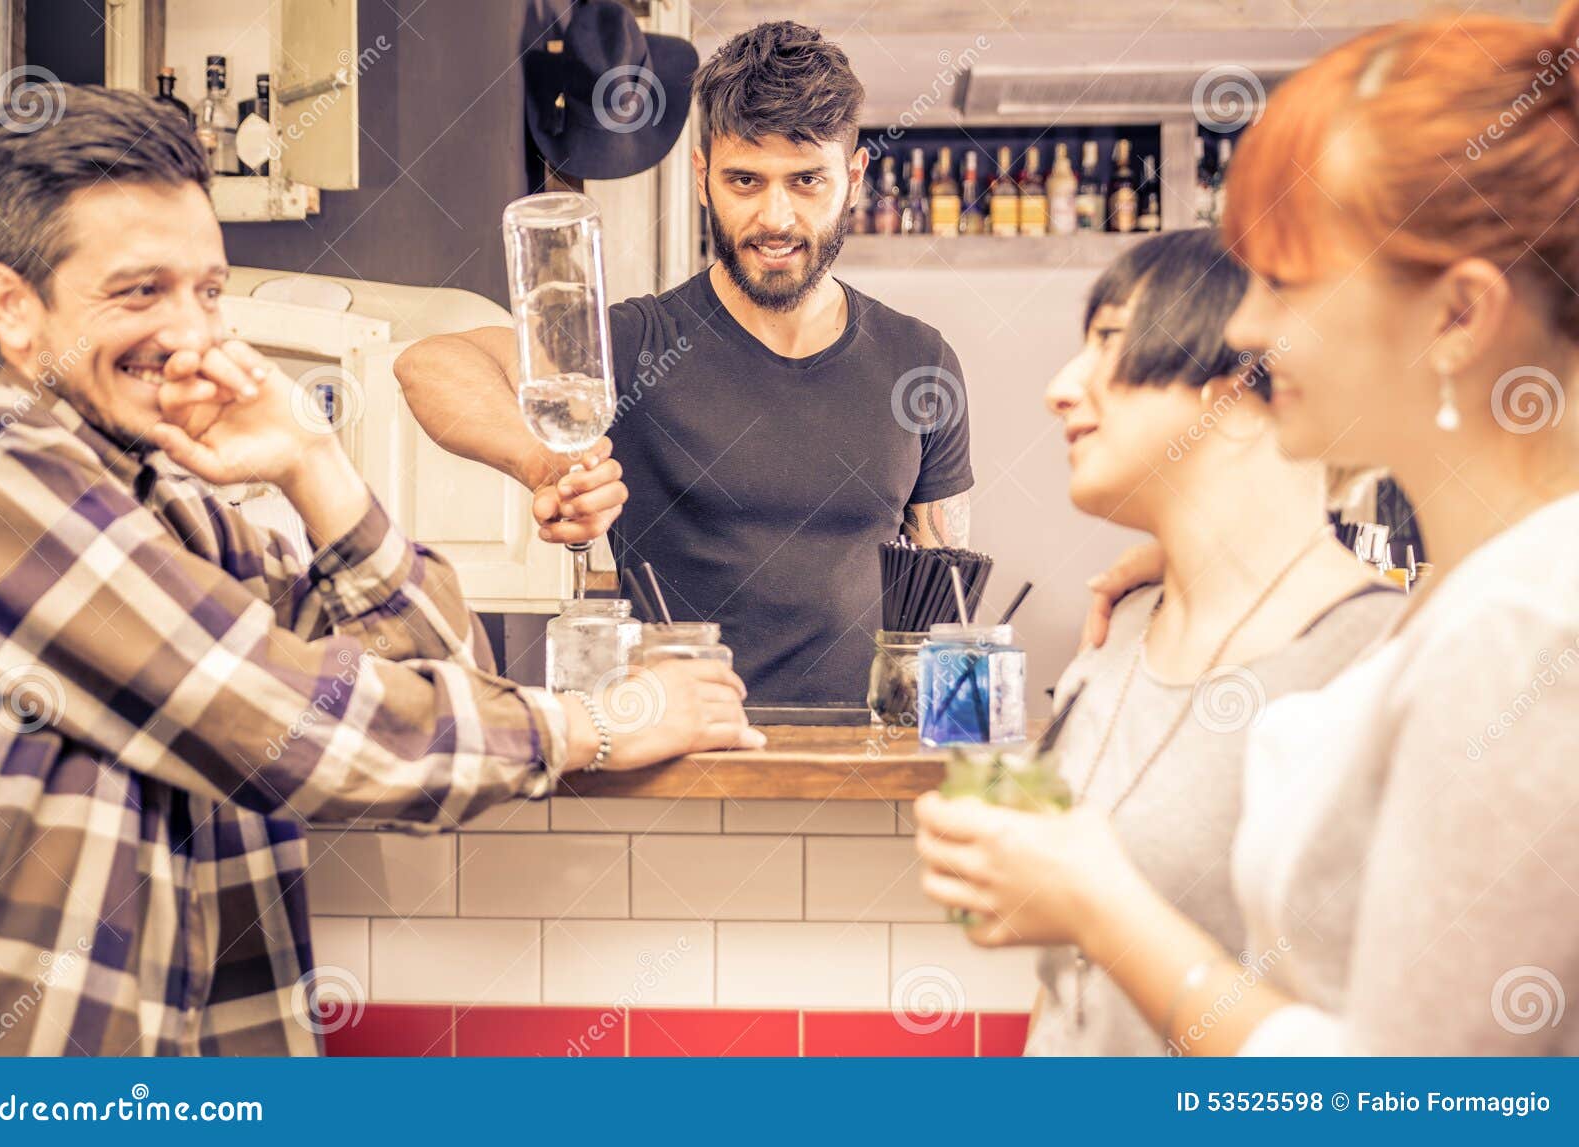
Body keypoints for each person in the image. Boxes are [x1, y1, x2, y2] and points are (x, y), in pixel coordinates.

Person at [0, 85, 759, 1057]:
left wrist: (315, 463)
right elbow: (285, 720)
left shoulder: (169, 508)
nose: (191, 333)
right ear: (12, 309)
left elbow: (443, 670)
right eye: (140, 291)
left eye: (208, 291)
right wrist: (599, 723)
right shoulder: (0, 480)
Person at [917, 0, 1579, 1055]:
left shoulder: (1525, 629)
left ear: (1457, 316)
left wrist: (1102, 905)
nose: (1245, 329)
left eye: (1285, 282)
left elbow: (1424, 1109)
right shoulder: (1470, 599)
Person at [396, 21, 975, 704]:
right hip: (677, 750)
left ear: (852, 179)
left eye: (807, 181)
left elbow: (944, 612)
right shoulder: (633, 344)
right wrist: (542, 463)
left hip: (862, 754)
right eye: (745, 180)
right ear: (703, 178)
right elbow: (431, 364)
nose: (776, 217)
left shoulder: (920, 363)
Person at [949, 228, 1401, 1056]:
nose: (1059, 389)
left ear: (1244, 386)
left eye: (1110, 341)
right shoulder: (1117, 631)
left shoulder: (1373, 664)